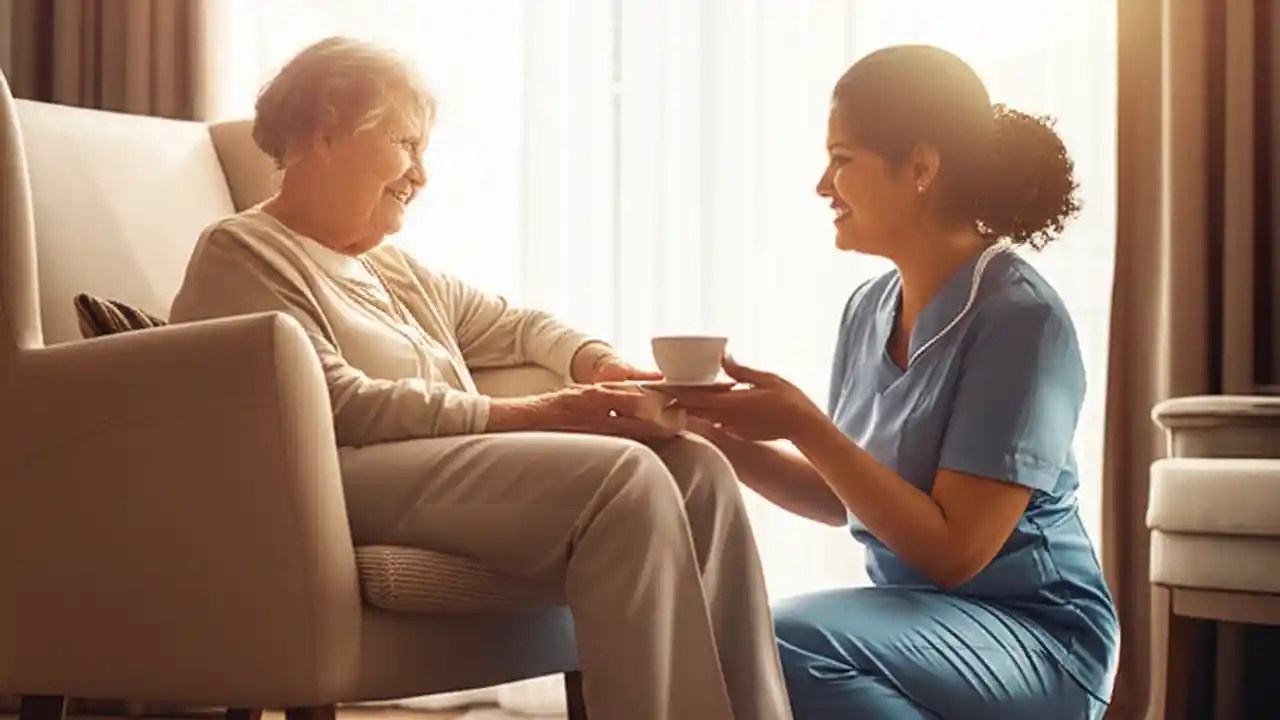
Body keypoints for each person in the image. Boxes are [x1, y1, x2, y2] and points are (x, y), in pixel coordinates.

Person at [169, 37, 792, 720]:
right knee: (624, 478)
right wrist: (544, 413)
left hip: (429, 472)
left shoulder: (395, 270)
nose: (422, 174)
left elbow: (520, 327)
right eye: (408, 143)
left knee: (696, 468)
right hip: (327, 483)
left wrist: (599, 365)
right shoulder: (243, 252)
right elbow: (331, 405)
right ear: (328, 128)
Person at [661, 45, 1119, 719]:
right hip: (924, 623)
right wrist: (707, 432)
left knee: (779, 644)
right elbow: (851, 496)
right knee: (744, 639)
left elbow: (955, 551)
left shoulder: (1022, 321)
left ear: (922, 168)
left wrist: (803, 425)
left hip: (1040, 636)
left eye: (842, 159)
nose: (823, 184)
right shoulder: (869, 307)